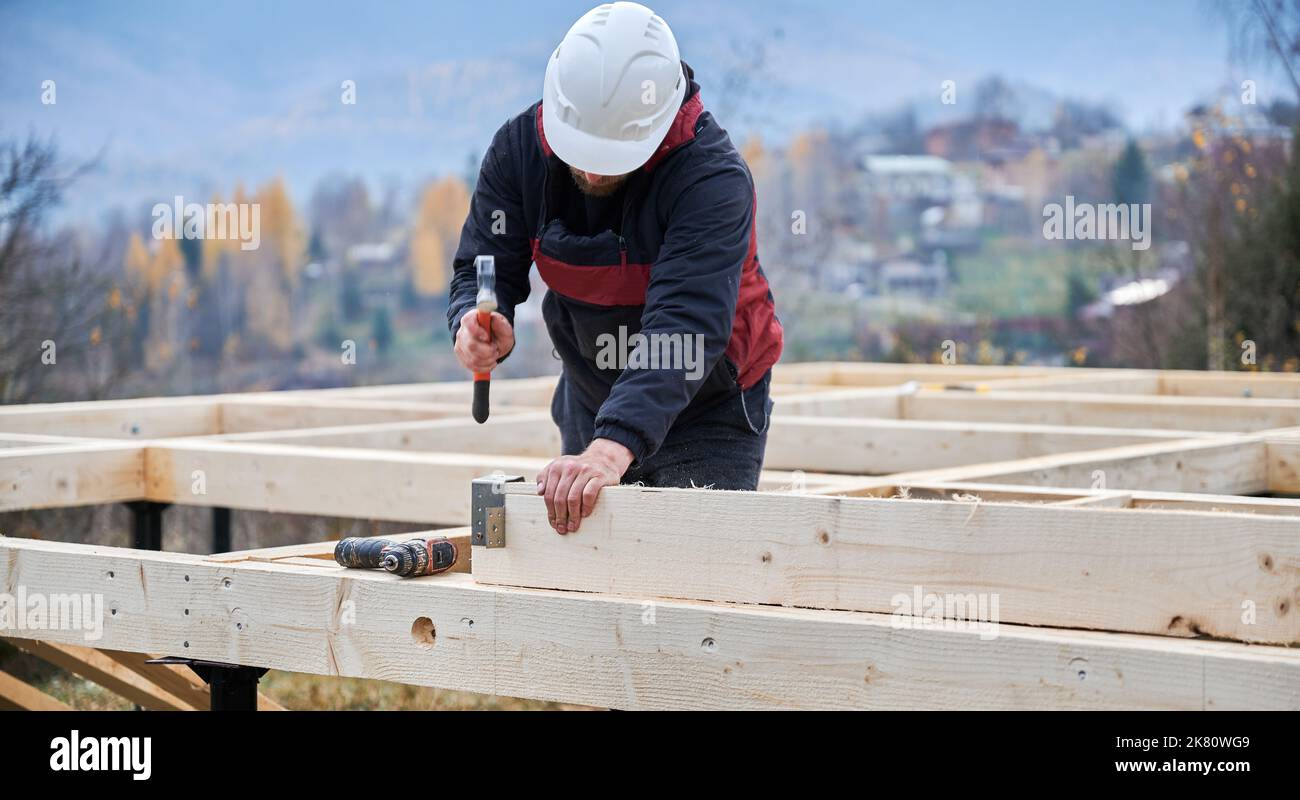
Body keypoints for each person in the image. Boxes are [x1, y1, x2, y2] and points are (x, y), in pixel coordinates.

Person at [447, 1, 783, 534]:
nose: (589, 169)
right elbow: (482, 265)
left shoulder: (710, 180)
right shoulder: (518, 153)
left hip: (708, 404)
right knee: (592, 579)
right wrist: (476, 318)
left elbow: (685, 327)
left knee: (693, 579)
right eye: (579, 149)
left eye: (610, 159)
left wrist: (613, 447)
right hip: (591, 388)